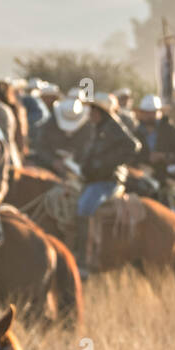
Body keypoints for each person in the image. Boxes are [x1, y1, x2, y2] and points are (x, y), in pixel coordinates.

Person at [73, 96, 141, 273]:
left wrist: (106, 164)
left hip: (107, 181)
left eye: (93, 110)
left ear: (100, 112)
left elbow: (133, 146)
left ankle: (84, 259)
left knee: (84, 208)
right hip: (96, 180)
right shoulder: (100, 128)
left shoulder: (113, 127)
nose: (90, 114)